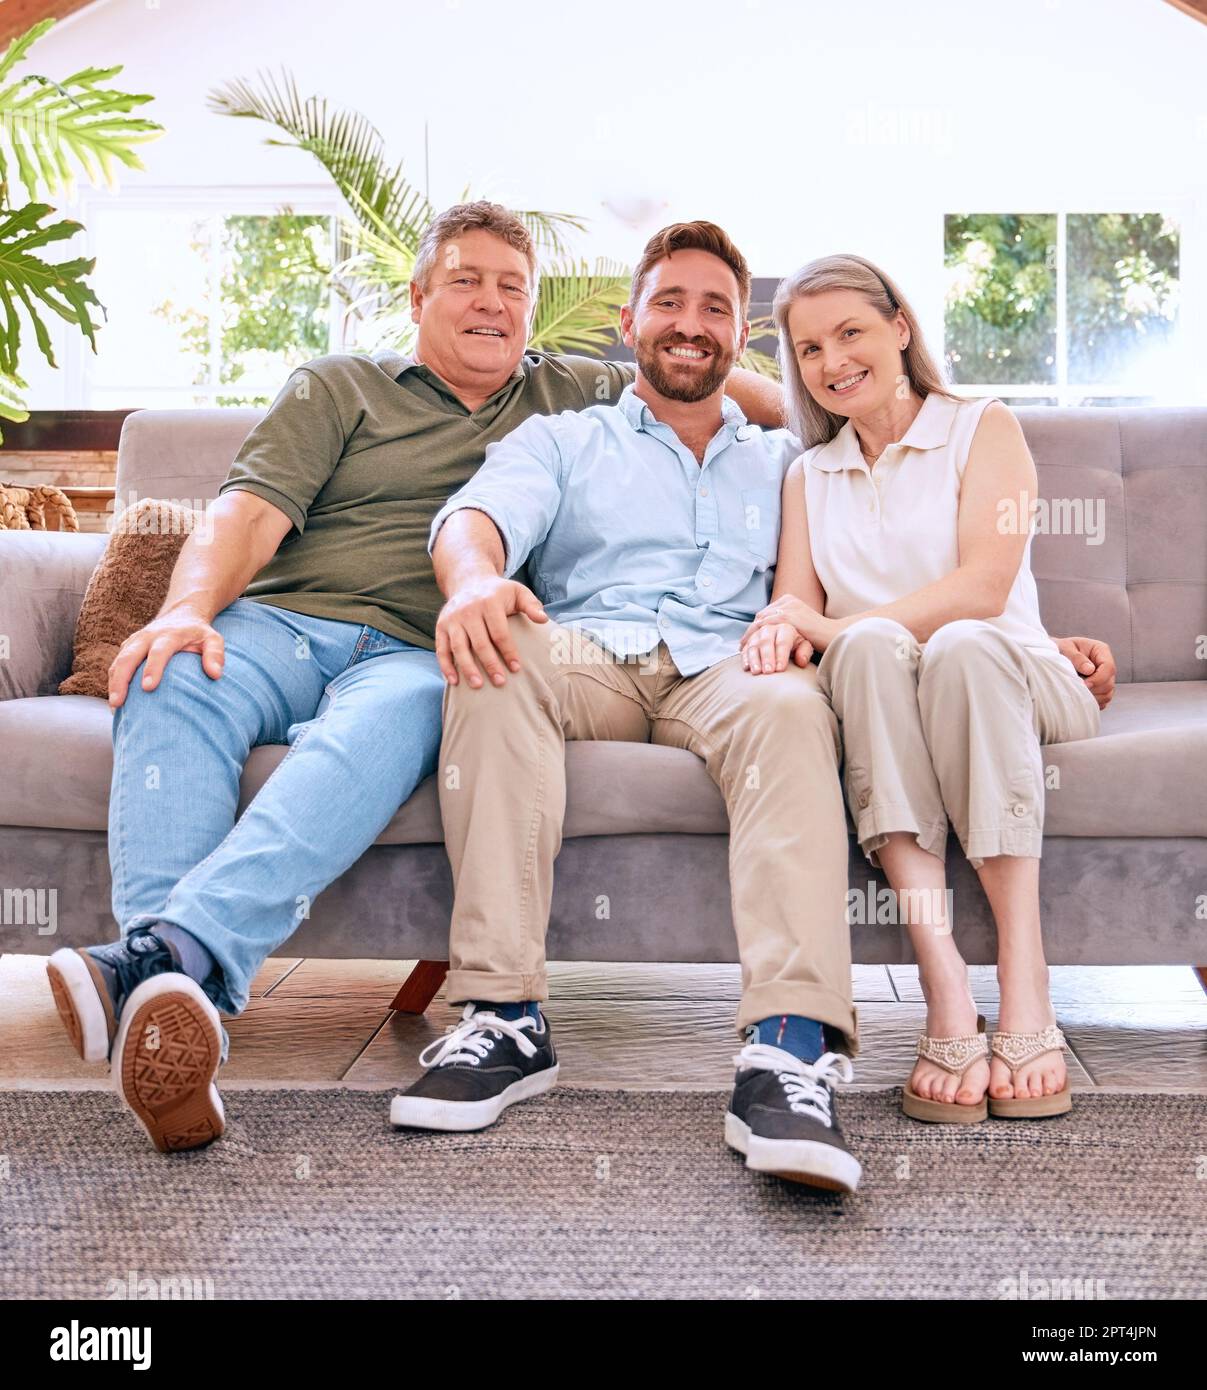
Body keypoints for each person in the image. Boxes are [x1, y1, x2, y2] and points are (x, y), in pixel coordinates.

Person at [44, 200, 787, 1156]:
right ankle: (171, 979)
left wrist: (800, 384)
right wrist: (185, 610)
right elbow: (246, 514)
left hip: (417, 653)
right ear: (418, 295)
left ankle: (153, 979)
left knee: (407, 710)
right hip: (281, 625)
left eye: (511, 288)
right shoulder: (340, 385)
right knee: (169, 673)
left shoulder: (570, 392)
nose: (491, 303)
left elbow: (707, 375)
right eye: (466, 281)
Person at [741, 252, 1116, 1124]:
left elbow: (983, 589)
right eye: (808, 349)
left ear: (900, 329)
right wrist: (786, 632)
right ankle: (941, 983)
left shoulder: (982, 426)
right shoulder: (808, 475)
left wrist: (831, 627)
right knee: (872, 650)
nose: (831, 361)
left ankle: (1025, 983)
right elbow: (794, 611)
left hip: (1012, 675)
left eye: (850, 333)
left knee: (959, 646)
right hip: (885, 694)